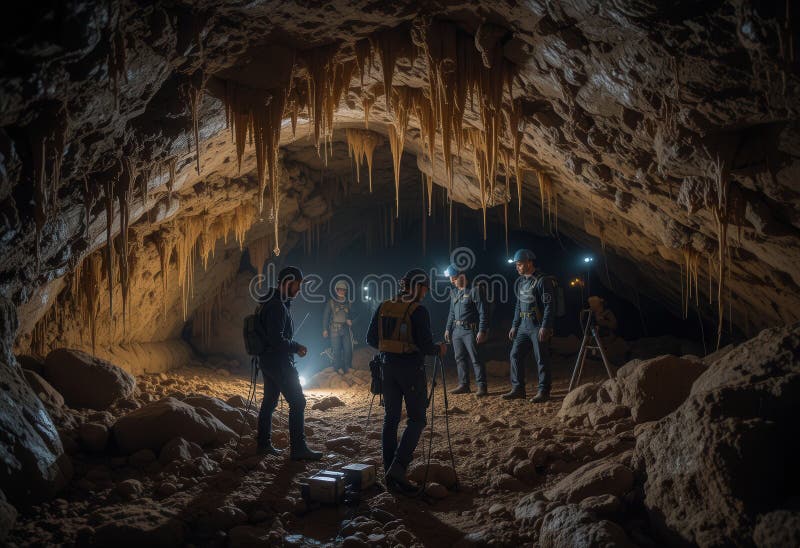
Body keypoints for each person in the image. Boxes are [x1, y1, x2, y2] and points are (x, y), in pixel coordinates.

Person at [366, 268, 447, 493]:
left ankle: (388, 469)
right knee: (417, 418)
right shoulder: (418, 310)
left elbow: (370, 338)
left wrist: (390, 348)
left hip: (386, 368)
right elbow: (425, 345)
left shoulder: (384, 306)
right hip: (410, 369)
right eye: (425, 289)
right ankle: (398, 468)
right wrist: (438, 348)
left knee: (390, 418)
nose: (426, 293)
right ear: (417, 287)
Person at [255, 266, 323, 460]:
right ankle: (298, 449)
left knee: (269, 402)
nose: (299, 289)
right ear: (287, 283)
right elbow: (276, 339)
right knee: (298, 402)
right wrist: (296, 347)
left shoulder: (272, 302)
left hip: (268, 361)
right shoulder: (277, 306)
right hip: (279, 362)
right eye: (297, 285)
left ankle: (263, 444)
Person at [504, 249, 556, 403]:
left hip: (537, 325)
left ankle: (544, 391)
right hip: (523, 326)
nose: (517, 267)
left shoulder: (542, 280)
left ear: (529, 263)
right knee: (515, 355)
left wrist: (545, 327)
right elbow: (518, 306)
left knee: (541, 358)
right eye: (517, 265)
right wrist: (514, 326)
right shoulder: (521, 282)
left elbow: (549, 306)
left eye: (519, 264)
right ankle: (518, 389)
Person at [443, 263, 489, 397]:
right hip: (457, 330)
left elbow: (483, 312)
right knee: (459, 358)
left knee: (476, 358)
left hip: (471, 330)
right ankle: (464, 385)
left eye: (453, 277)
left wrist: (482, 330)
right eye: (451, 278)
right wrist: (447, 328)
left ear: (461, 276)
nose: (451, 281)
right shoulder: (454, 292)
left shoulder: (475, 290)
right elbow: (451, 312)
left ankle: (482, 386)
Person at [323, 280, 353, 374]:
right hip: (334, 329)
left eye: (343, 290)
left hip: (345, 328)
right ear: (336, 290)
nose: (341, 291)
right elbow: (326, 316)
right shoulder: (331, 302)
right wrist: (324, 329)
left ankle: (347, 367)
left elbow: (355, 315)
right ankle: (337, 368)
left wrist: (351, 321)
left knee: (348, 349)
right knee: (336, 350)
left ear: (345, 291)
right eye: (340, 289)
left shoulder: (349, 303)